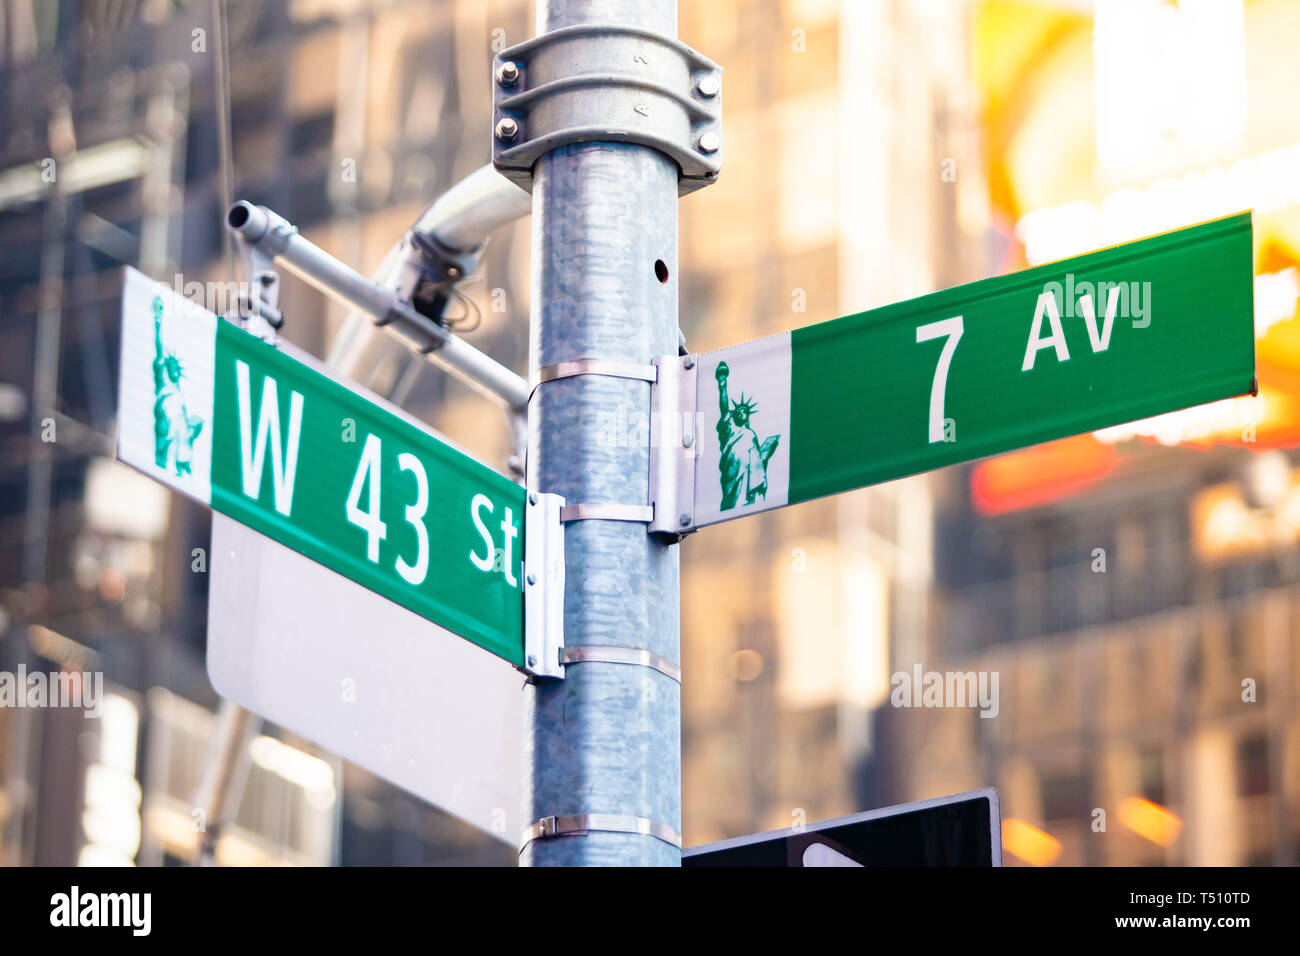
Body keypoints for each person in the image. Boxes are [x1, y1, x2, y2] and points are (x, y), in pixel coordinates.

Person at [715, 360, 779, 509]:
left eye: (745, 411)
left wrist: (768, 448)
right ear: (734, 415)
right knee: (730, 502)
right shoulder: (729, 427)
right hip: (731, 470)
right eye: (738, 411)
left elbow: (759, 461)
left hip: (749, 476)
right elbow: (724, 408)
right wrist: (722, 383)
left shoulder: (751, 434)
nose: (741, 412)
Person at [152, 295, 203, 476]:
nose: (174, 371)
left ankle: (181, 468)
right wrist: (158, 322)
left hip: (180, 428)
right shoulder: (163, 379)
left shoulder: (179, 390)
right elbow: (159, 349)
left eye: (176, 369)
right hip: (167, 422)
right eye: (171, 367)